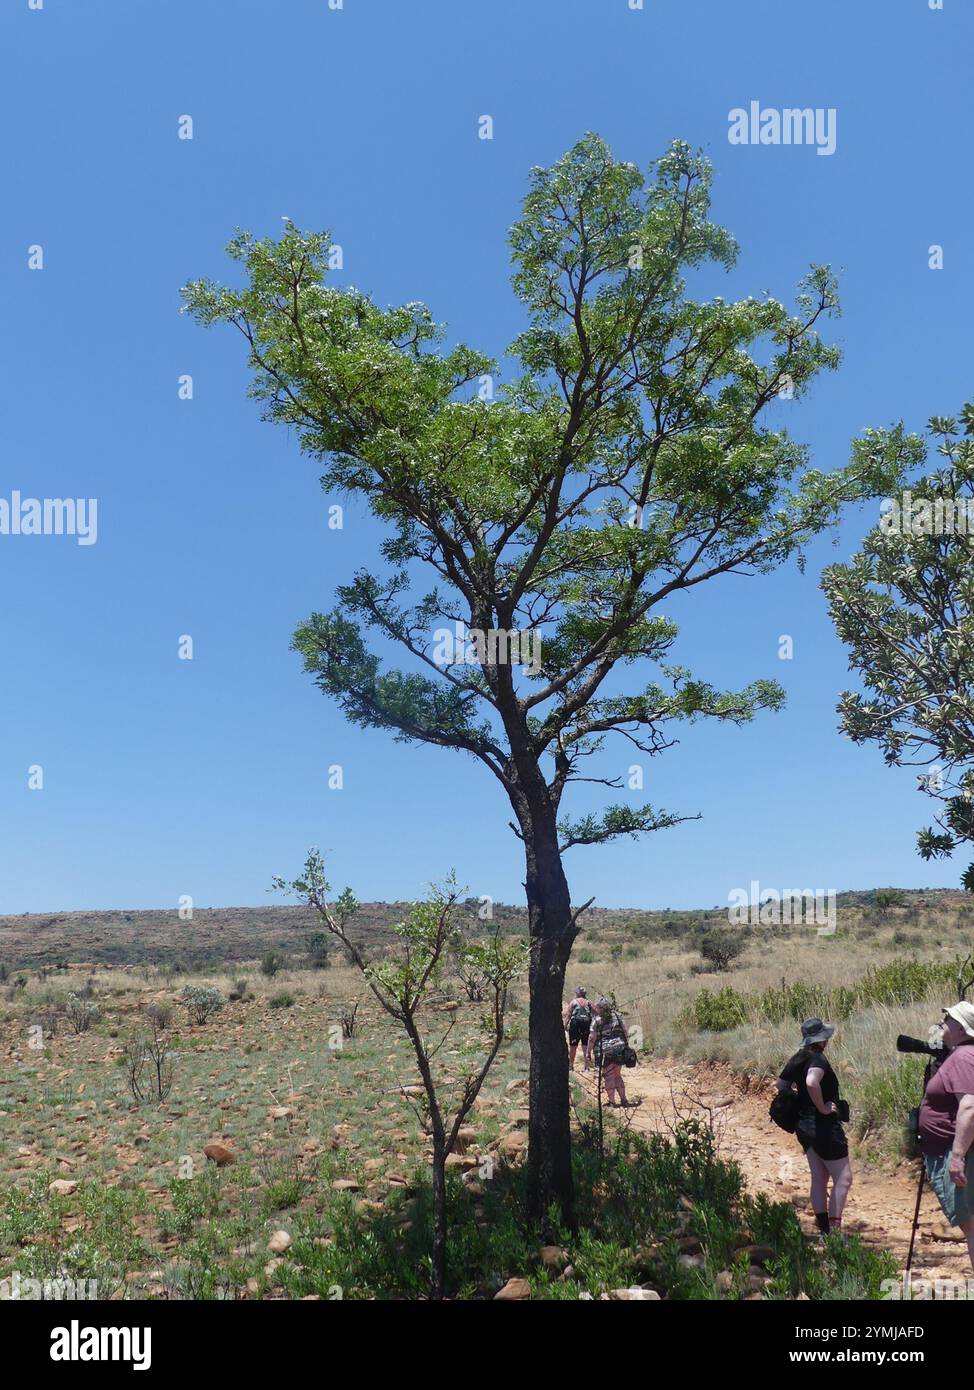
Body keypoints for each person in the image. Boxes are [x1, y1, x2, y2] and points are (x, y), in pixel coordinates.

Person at [775, 1017, 852, 1237]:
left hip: (804, 1126)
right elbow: (811, 1082)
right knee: (843, 1179)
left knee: (819, 1176)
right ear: (822, 1039)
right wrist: (823, 1107)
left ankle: (824, 1230)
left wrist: (802, 1104)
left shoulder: (798, 1057)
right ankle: (835, 1233)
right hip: (824, 1126)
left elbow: (781, 1085)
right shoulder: (818, 1059)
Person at [918, 1001, 974, 1273]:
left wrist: (958, 1158)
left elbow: (970, 1106)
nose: (943, 1023)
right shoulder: (961, 1055)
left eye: (949, 1018)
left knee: (971, 1224)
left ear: (962, 1029)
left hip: (955, 1152)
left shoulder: (963, 1057)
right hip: (950, 1149)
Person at [586, 997, 634, 1107]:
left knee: (608, 1076)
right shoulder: (618, 1016)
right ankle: (624, 1100)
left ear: (601, 1008)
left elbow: (592, 1038)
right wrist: (626, 1045)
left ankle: (612, 1102)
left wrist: (588, 1052)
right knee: (617, 1075)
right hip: (619, 1048)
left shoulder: (597, 1020)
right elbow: (625, 1032)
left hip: (604, 1051)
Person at [564, 986, 593, 1071]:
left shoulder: (573, 1002)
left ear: (578, 993)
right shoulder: (588, 1002)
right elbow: (595, 1013)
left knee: (573, 1046)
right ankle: (587, 1067)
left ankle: (570, 1066)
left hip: (575, 1024)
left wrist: (565, 1025)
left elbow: (568, 1015)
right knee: (585, 1046)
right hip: (586, 1025)